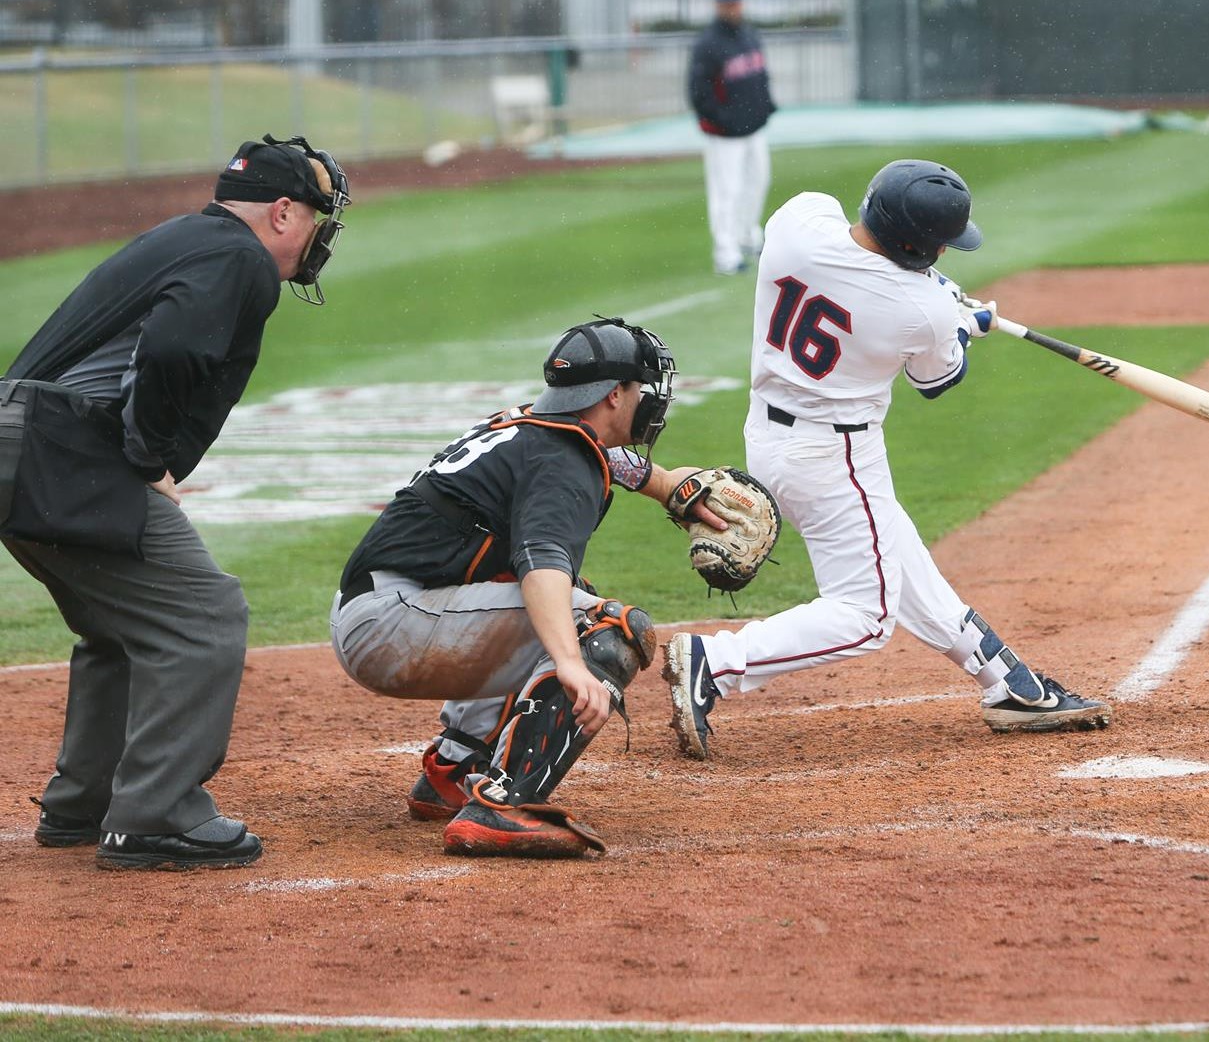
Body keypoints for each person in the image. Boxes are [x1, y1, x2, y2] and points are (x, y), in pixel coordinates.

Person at [660, 159, 1112, 761]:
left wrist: (938, 303)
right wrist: (957, 322)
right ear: (920, 249)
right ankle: (715, 662)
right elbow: (939, 378)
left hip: (769, 436)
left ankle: (1004, 681)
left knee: (897, 555)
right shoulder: (919, 310)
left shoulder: (794, 224)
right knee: (865, 615)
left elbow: (852, 254)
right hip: (834, 455)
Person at [1, 134, 350, 870]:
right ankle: (155, 816)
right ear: (283, 213)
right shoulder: (240, 256)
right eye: (317, 220)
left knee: (120, 625)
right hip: (65, 453)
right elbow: (171, 351)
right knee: (204, 616)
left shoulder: (183, 236)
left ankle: (85, 805)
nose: (317, 239)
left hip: (25, 444)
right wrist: (148, 458)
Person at [330, 318, 724, 858]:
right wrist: (568, 659)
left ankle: (457, 766)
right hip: (391, 623)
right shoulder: (562, 461)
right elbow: (541, 564)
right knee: (601, 627)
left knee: (557, 599)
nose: (649, 400)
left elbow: (610, 460)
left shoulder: (528, 426)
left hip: (383, 610)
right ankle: (504, 803)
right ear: (614, 395)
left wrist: (667, 487)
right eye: (640, 388)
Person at [687, 0, 776, 275]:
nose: (732, 7)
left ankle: (748, 235)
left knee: (757, 182)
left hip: (754, 127)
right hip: (724, 134)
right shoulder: (708, 44)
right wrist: (720, 119)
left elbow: (759, 76)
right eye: (726, 3)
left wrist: (766, 106)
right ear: (717, 6)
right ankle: (725, 252)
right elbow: (699, 91)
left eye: (735, 2)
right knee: (727, 192)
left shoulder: (748, 35)